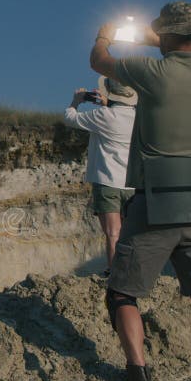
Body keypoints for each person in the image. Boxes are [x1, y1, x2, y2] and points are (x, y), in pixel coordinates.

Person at [90, 1, 191, 381]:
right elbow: (183, 49)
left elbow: (98, 60)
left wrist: (106, 32)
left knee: (121, 293)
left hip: (156, 203)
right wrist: (166, 36)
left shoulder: (149, 72)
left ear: (164, 34)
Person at [63, 77, 137, 275]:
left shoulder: (103, 115)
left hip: (107, 182)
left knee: (113, 233)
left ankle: (114, 274)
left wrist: (76, 101)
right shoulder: (138, 117)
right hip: (131, 183)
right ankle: (130, 273)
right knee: (130, 233)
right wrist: (108, 103)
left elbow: (69, 118)